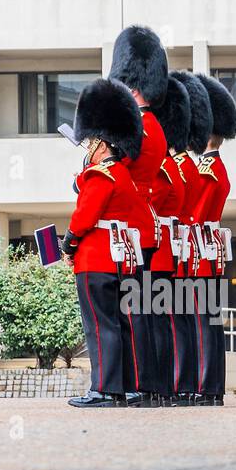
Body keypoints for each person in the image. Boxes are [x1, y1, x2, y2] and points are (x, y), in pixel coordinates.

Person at [65, 79, 145, 409]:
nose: (88, 148)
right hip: (119, 260)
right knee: (118, 325)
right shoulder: (122, 174)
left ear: (101, 143)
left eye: (90, 143)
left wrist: (69, 245)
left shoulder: (101, 175)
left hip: (96, 259)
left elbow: (83, 218)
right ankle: (122, 387)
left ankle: (103, 389)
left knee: (99, 326)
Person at [108, 25, 170, 407]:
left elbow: (118, 170)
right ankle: (145, 384)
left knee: (127, 314)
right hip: (144, 229)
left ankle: (132, 384)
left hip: (128, 230)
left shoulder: (136, 125)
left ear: (130, 84)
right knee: (141, 312)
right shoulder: (156, 127)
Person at [191, 74, 236, 407]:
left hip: (198, 252)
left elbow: (192, 215)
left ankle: (207, 387)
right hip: (207, 252)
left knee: (203, 324)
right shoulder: (211, 168)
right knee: (209, 323)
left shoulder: (207, 171)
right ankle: (211, 386)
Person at [169, 70, 212, 406]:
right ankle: (198, 385)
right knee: (192, 325)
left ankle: (191, 384)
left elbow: (193, 217)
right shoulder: (191, 167)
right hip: (190, 251)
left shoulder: (183, 168)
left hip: (186, 253)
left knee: (185, 326)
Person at [148, 76, 191, 401]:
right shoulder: (172, 167)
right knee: (165, 324)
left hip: (158, 252)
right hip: (167, 251)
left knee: (158, 325)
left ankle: (163, 385)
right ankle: (168, 385)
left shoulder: (163, 170)